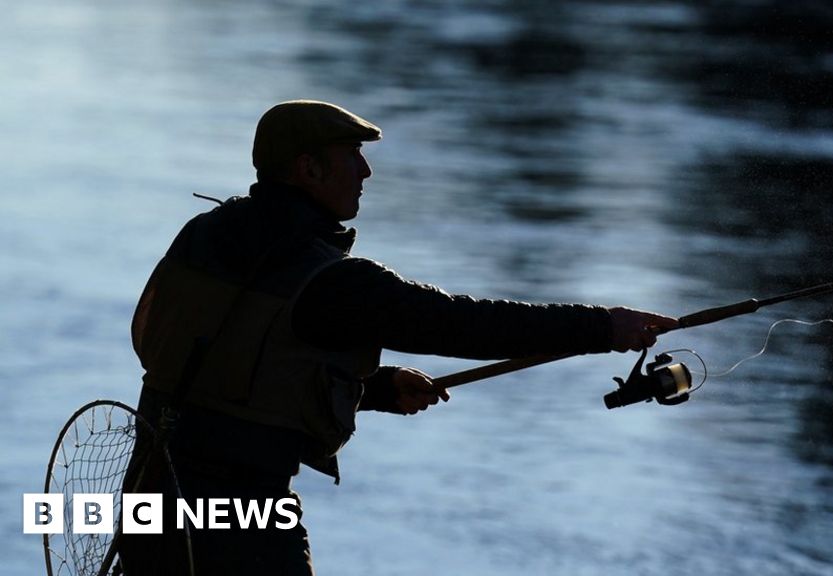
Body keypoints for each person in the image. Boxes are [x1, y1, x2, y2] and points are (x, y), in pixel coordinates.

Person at [120, 100, 677, 575]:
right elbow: (464, 323)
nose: (365, 172)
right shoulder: (334, 280)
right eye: (352, 157)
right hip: (239, 523)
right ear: (308, 169)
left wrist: (373, 389)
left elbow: (221, 362)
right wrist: (605, 327)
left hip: (148, 499)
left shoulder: (204, 233)